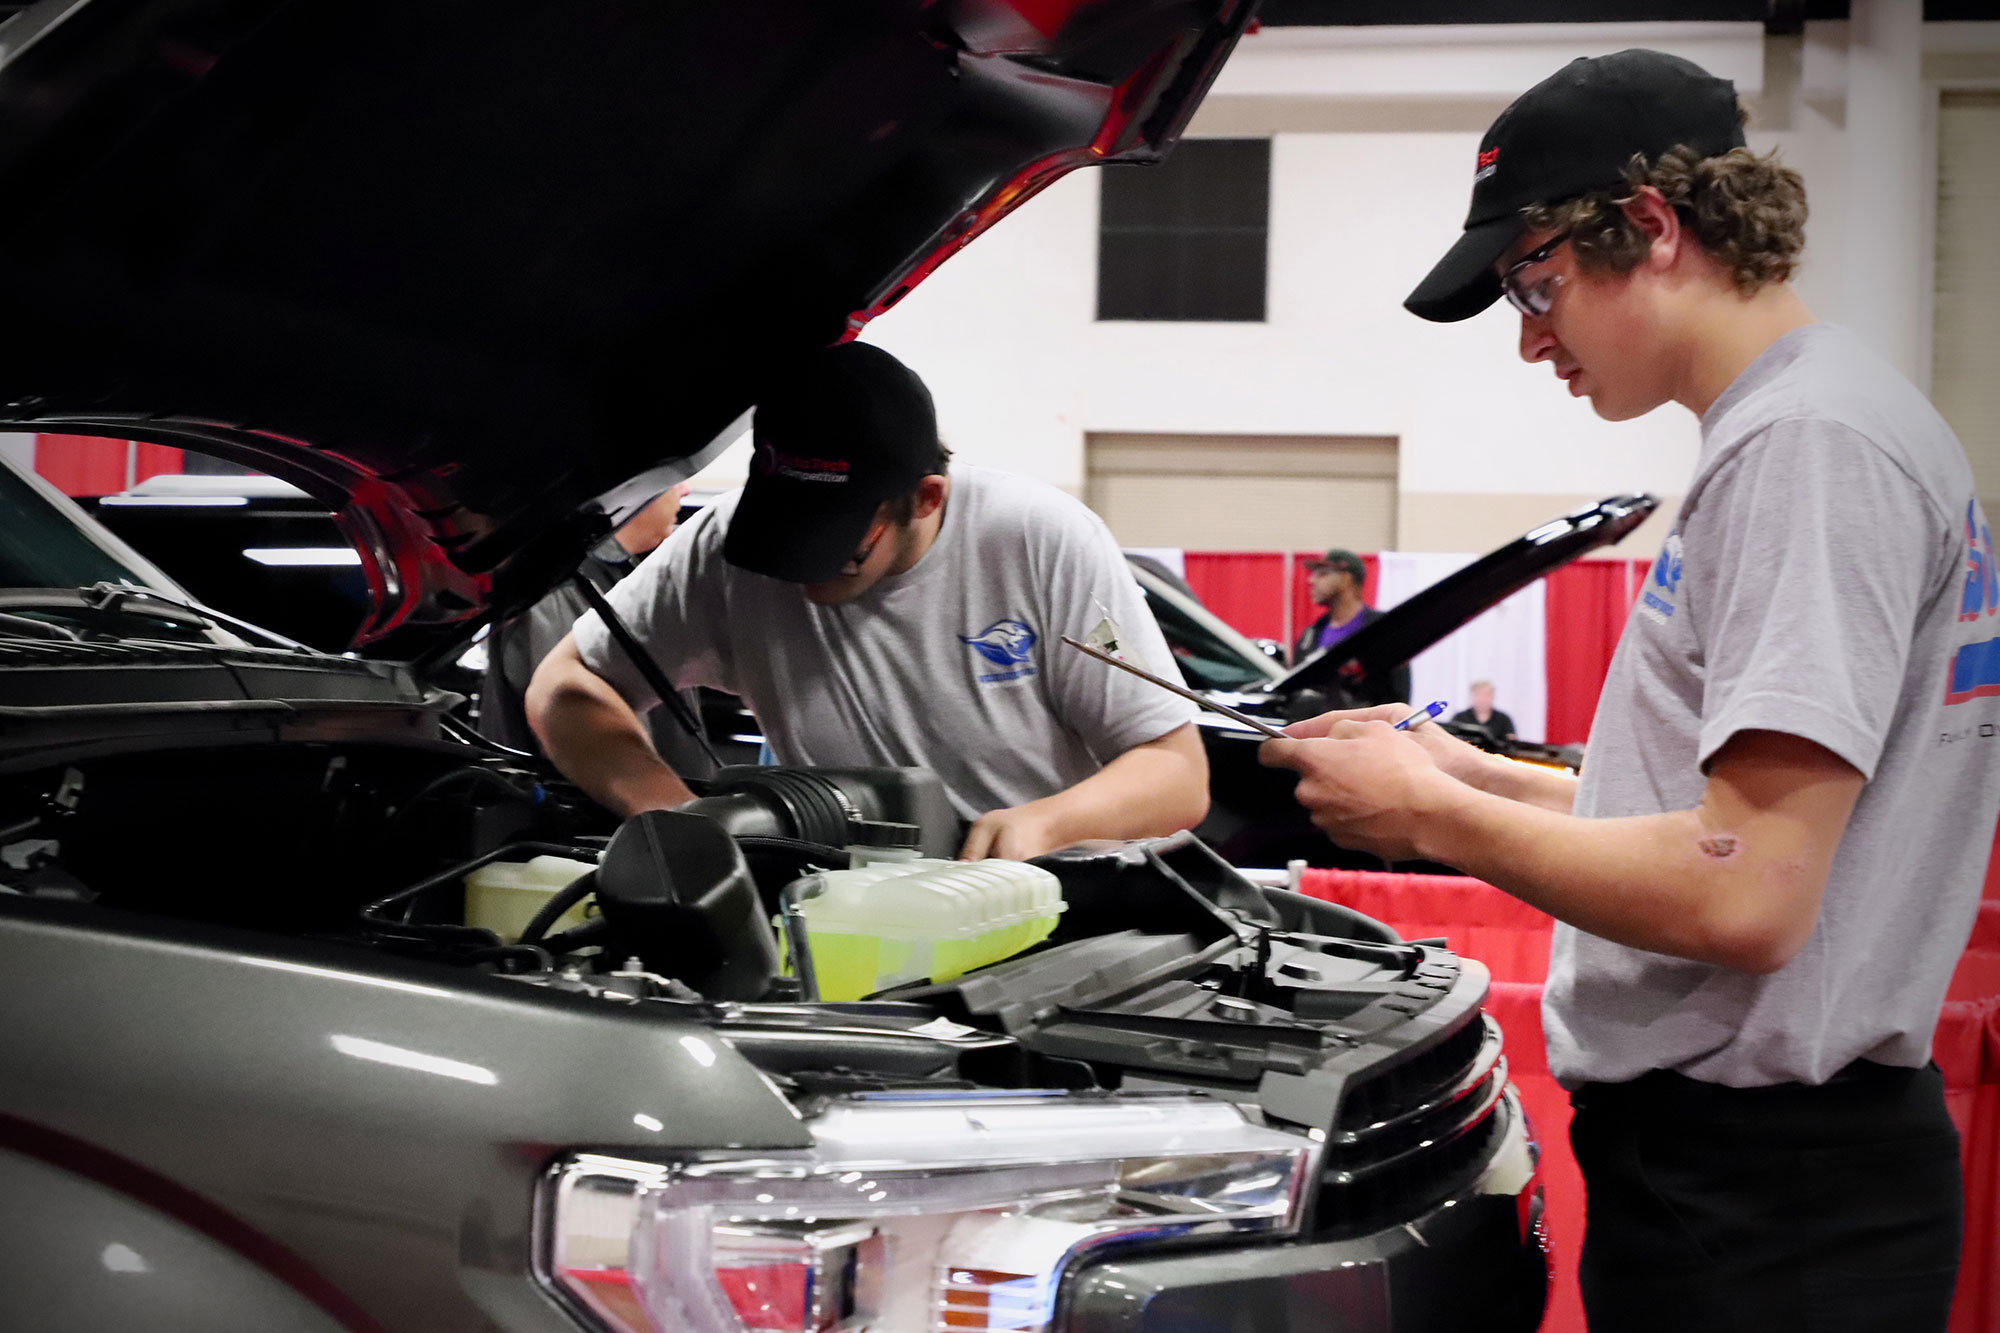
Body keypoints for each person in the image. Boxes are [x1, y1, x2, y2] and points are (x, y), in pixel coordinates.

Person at [1259, 49, 1998, 1333]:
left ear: (1650, 227)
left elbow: (1742, 886)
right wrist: (1467, 769)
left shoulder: (1806, 450)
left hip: (1766, 1196)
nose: (1530, 336)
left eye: (1534, 281)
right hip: (1755, 1178)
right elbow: (1722, 802)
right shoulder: (1816, 426)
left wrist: (1432, 822)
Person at [526, 341, 1208, 862]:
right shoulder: (718, 547)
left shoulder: (1038, 540)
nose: (803, 581)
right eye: (782, 543)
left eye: (840, 549)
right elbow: (566, 683)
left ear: (927, 498)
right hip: (852, 919)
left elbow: (1177, 773)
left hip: (1051, 919)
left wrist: (1043, 823)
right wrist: (668, 812)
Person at [478, 487, 696, 762]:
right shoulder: (562, 592)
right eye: (677, 480)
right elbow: (600, 756)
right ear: (634, 486)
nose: (686, 490)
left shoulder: (623, 578)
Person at [1293, 548, 1411, 702]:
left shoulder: (1382, 630)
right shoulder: (1310, 636)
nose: (1312, 581)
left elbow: (1399, 693)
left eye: (1323, 573)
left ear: (1346, 579)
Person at [1447, 679, 1515, 747]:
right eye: (1477, 695)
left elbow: (1512, 744)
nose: (1481, 699)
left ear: (1492, 696)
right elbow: (1451, 742)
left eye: (1485, 695)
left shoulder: (1504, 719)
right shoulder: (1460, 717)